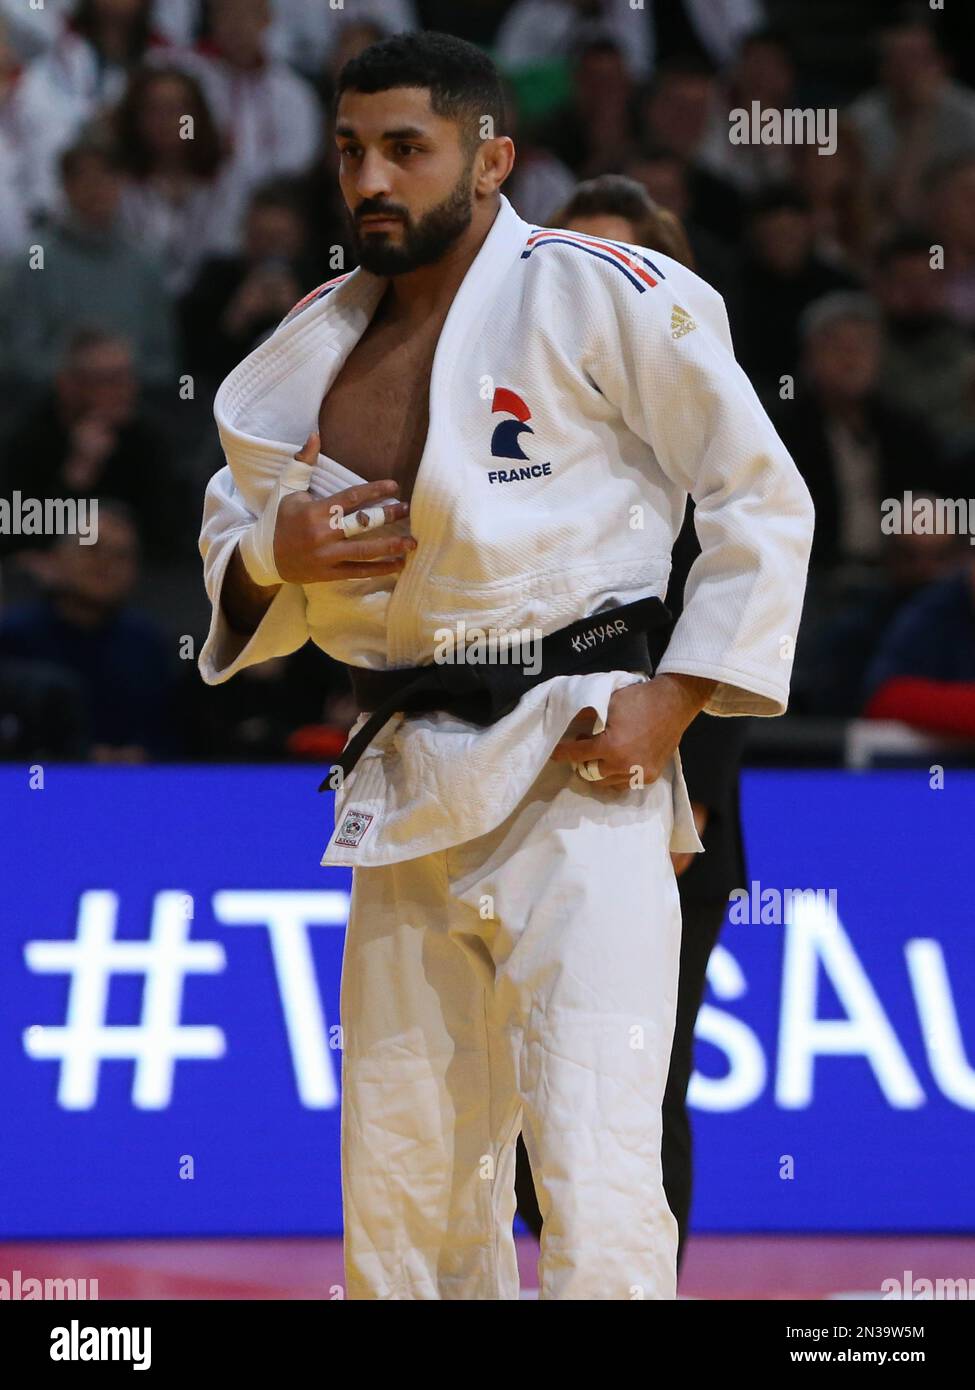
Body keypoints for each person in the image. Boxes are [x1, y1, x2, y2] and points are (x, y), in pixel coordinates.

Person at [197, 32, 814, 1300]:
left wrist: (677, 701)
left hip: (579, 763)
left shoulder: (601, 288)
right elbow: (231, 544)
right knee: (405, 1176)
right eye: (351, 150)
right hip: (407, 776)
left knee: (593, 1159)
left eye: (406, 149)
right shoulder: (316, 340)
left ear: (492, 161)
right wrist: (276, 549)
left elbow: (761, 497)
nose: (372, 177)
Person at [509, 174, 751, 1272]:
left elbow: (743, 603)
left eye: (626, 265)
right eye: (576, 263)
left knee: (635, 1083)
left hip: (670, 813)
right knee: (514, 1087)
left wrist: (686, 782)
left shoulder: (707, 434)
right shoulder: (513, 425)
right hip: (514, 804)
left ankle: (645, 1282)